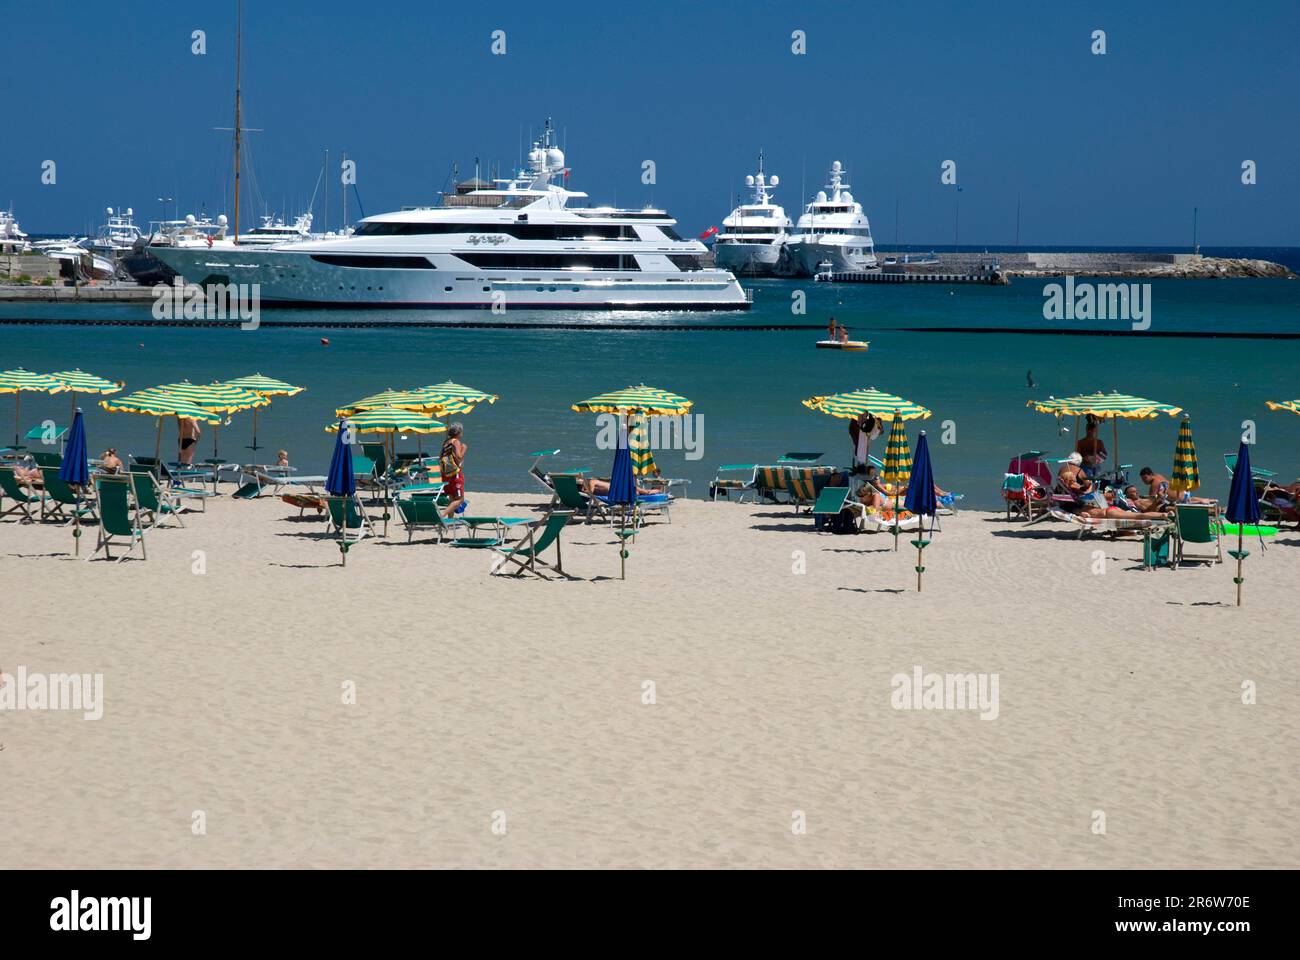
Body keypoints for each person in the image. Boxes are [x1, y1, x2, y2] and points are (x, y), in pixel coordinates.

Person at [440, 422, 467, 517]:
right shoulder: (456, 442)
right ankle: (442, 514)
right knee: (460, 499)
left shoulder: (446, 442)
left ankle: (449, 521)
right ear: (459, 432)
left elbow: (441, 457)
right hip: (455, 473)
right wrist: (464, 448)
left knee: (451, 498)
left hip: (445, 473)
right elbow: (459, 457)